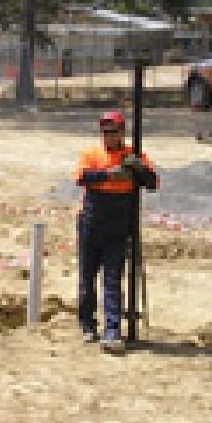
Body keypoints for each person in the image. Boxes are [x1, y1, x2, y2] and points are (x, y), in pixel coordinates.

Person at [74, 109, 158, 354]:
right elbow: (81, 177)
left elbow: (152, 183)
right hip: (91, 222)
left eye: (113, 131)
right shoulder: (91, 154)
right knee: (86, 278)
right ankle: (88, 324)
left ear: (122, 132)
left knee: (112, 279)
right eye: (105, 132)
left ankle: (112, 330)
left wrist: (139, 169)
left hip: (118, 226)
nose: (109, 136)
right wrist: (108, 174)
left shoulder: (133, 155)